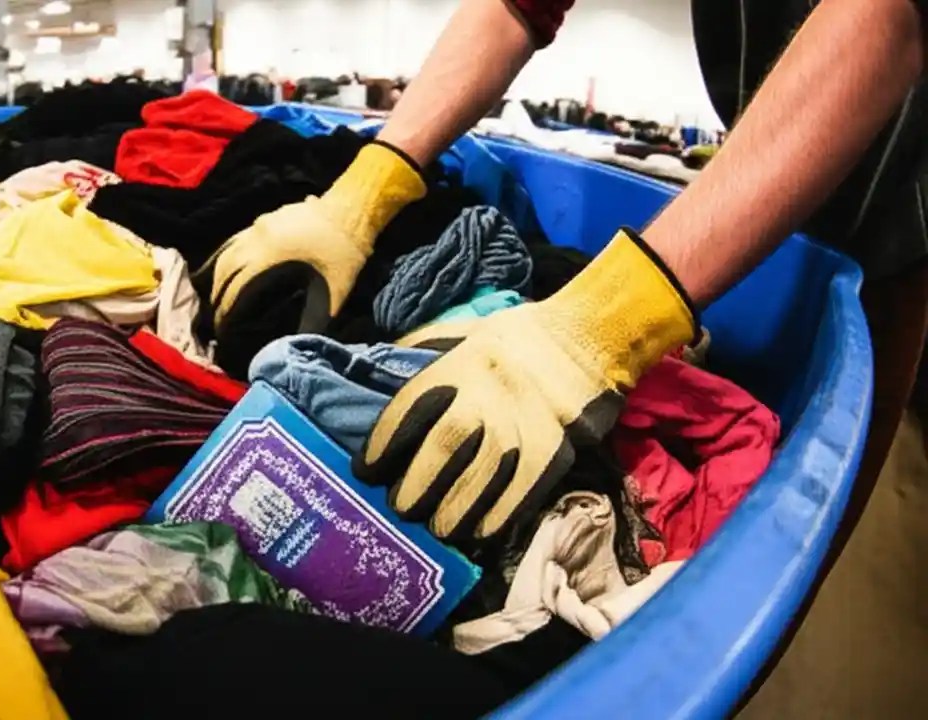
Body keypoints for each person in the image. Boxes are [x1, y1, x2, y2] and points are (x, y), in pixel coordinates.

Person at [210, 0, 928, 547]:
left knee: (799, 526)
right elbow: (516, 5)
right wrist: (364, 193)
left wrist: (604, 324)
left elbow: (887, 17)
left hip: (881, 227)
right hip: (759, 155)